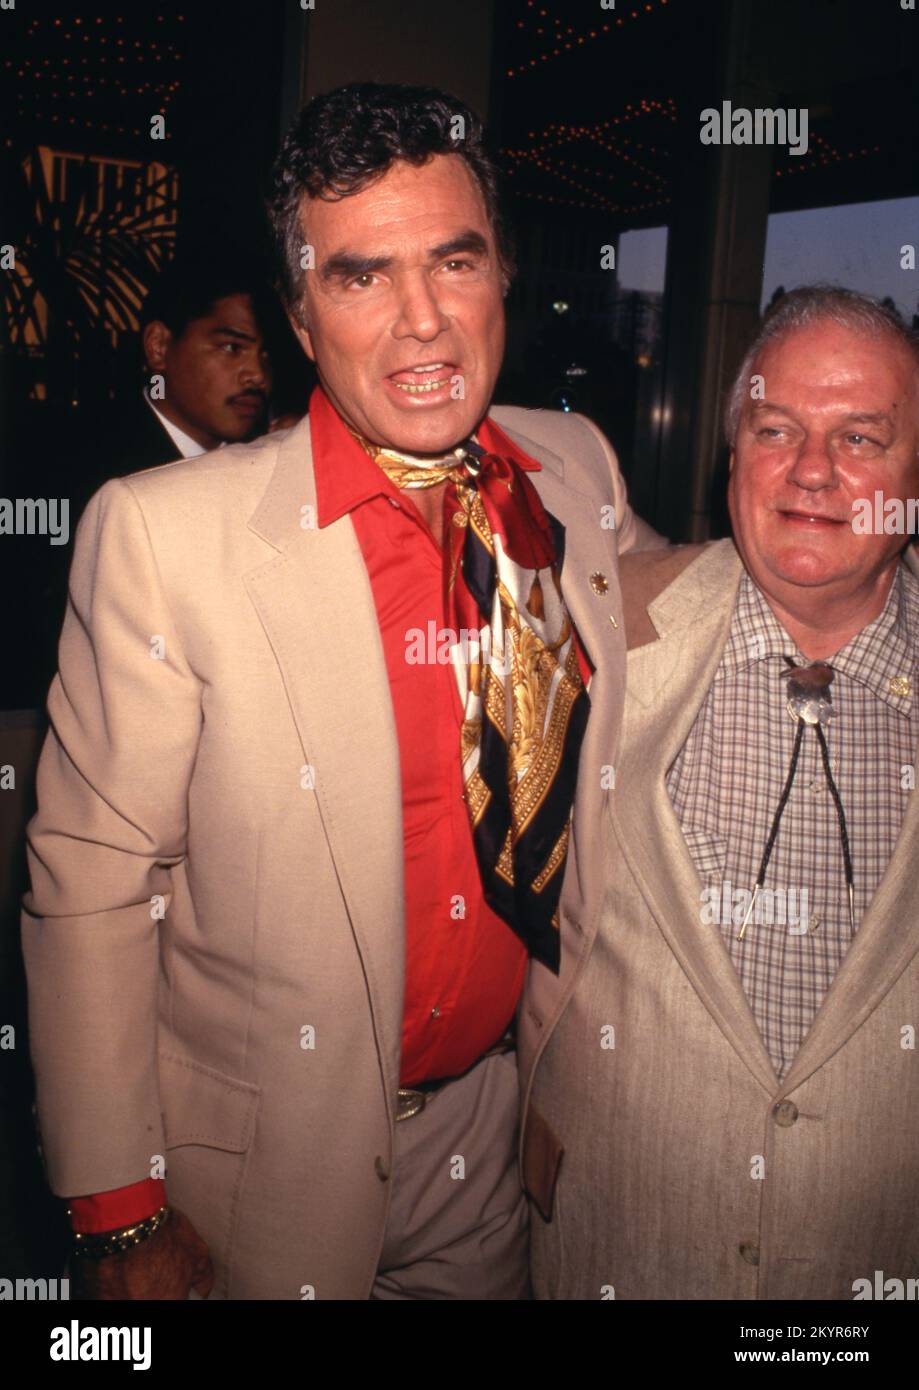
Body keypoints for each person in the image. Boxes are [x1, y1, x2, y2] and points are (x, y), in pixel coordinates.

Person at [21, 81, 664, 1301]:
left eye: (454, 263)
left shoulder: (570, 468)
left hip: (492, 1136)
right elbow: (92, 884)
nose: (422, 323)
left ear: (501, 280)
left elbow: (680, 627)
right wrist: (117, 1211)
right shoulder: (165, 537)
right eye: (362, 276)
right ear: (303, 319)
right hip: (255, 1174)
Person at [523, 285, 919, 1300]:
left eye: (861, 438)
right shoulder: (599, 628)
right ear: (729, 453)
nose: (813, 470)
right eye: (774, 427)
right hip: (612, 1251)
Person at [96, 253, 275, 481]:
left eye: (267, 354)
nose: (258, 375)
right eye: (231, 348)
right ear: (158, 346)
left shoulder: (270, 463)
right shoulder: (80, 470)